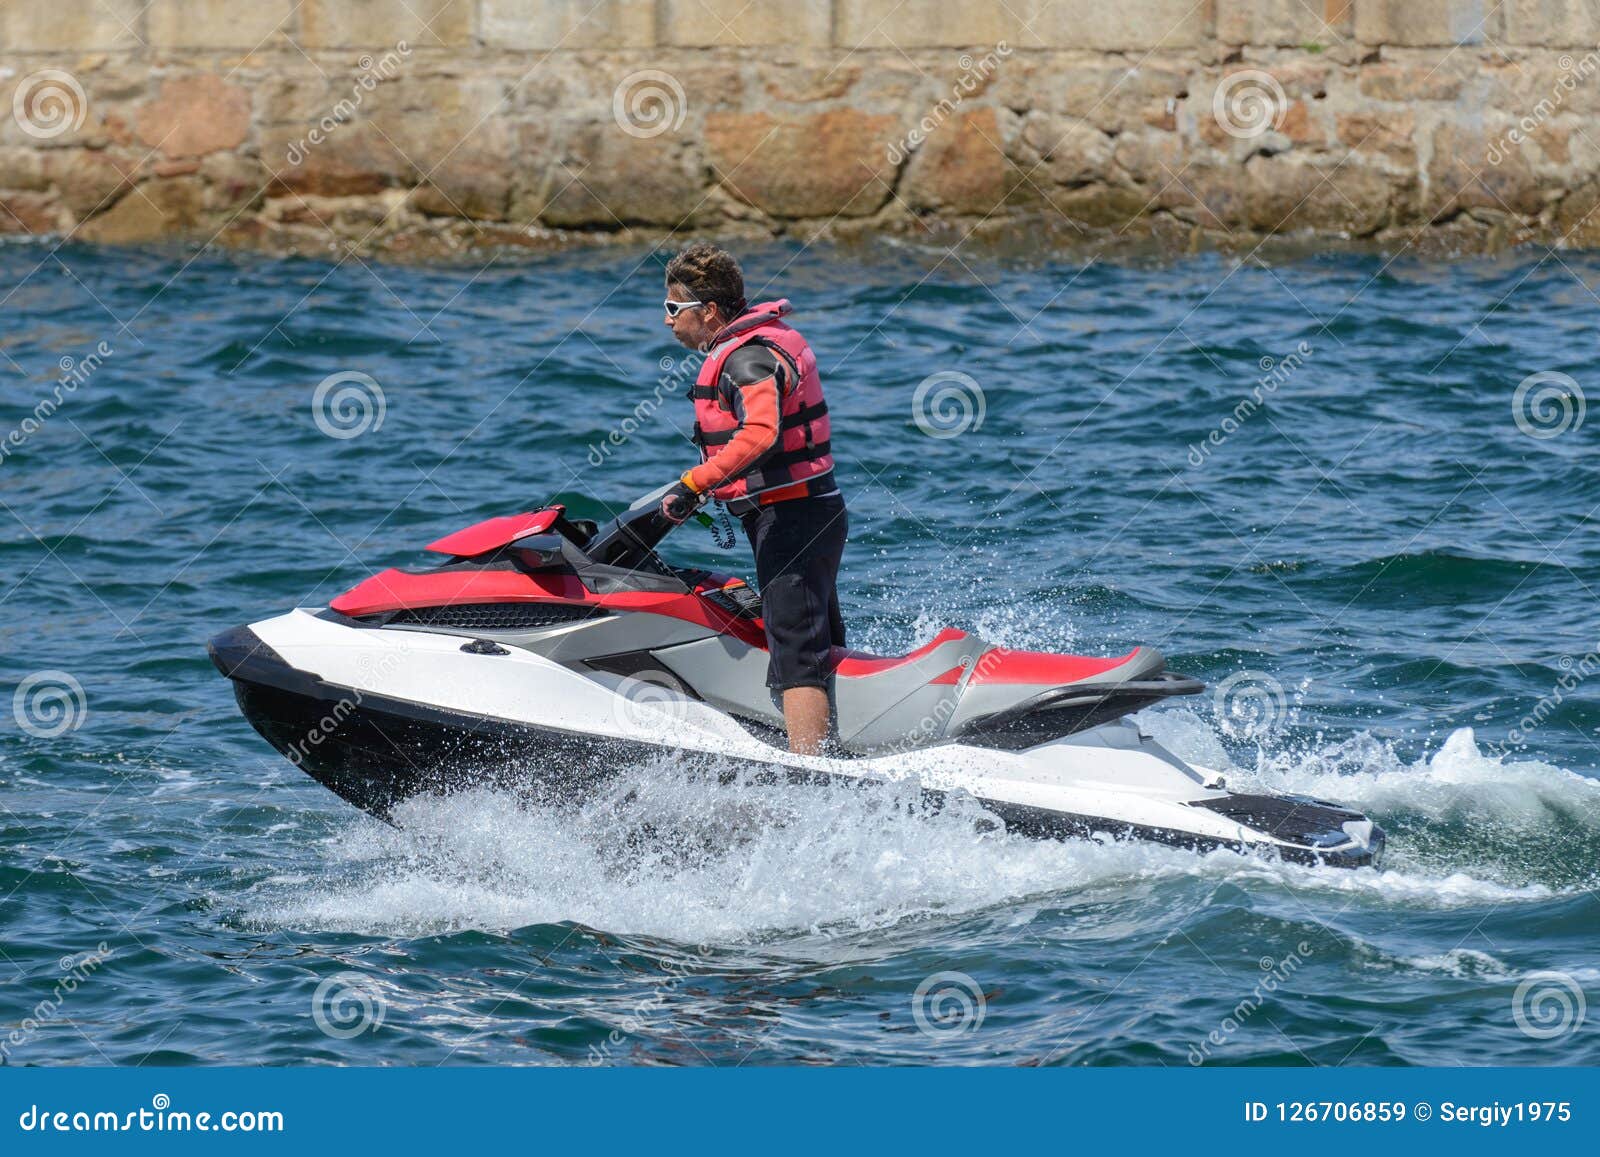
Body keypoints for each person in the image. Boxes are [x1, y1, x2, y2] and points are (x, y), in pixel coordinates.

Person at [656, 243, 847, 755]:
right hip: (802, 513)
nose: (667, 320)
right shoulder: (755, 345)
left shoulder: (748, 358)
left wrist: (697, 481)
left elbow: (760, 434)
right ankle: (840, 744)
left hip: (795, 519)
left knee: (796, 651)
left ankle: (810, 773)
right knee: (814, 636)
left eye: (674, 309)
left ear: (709, 312)